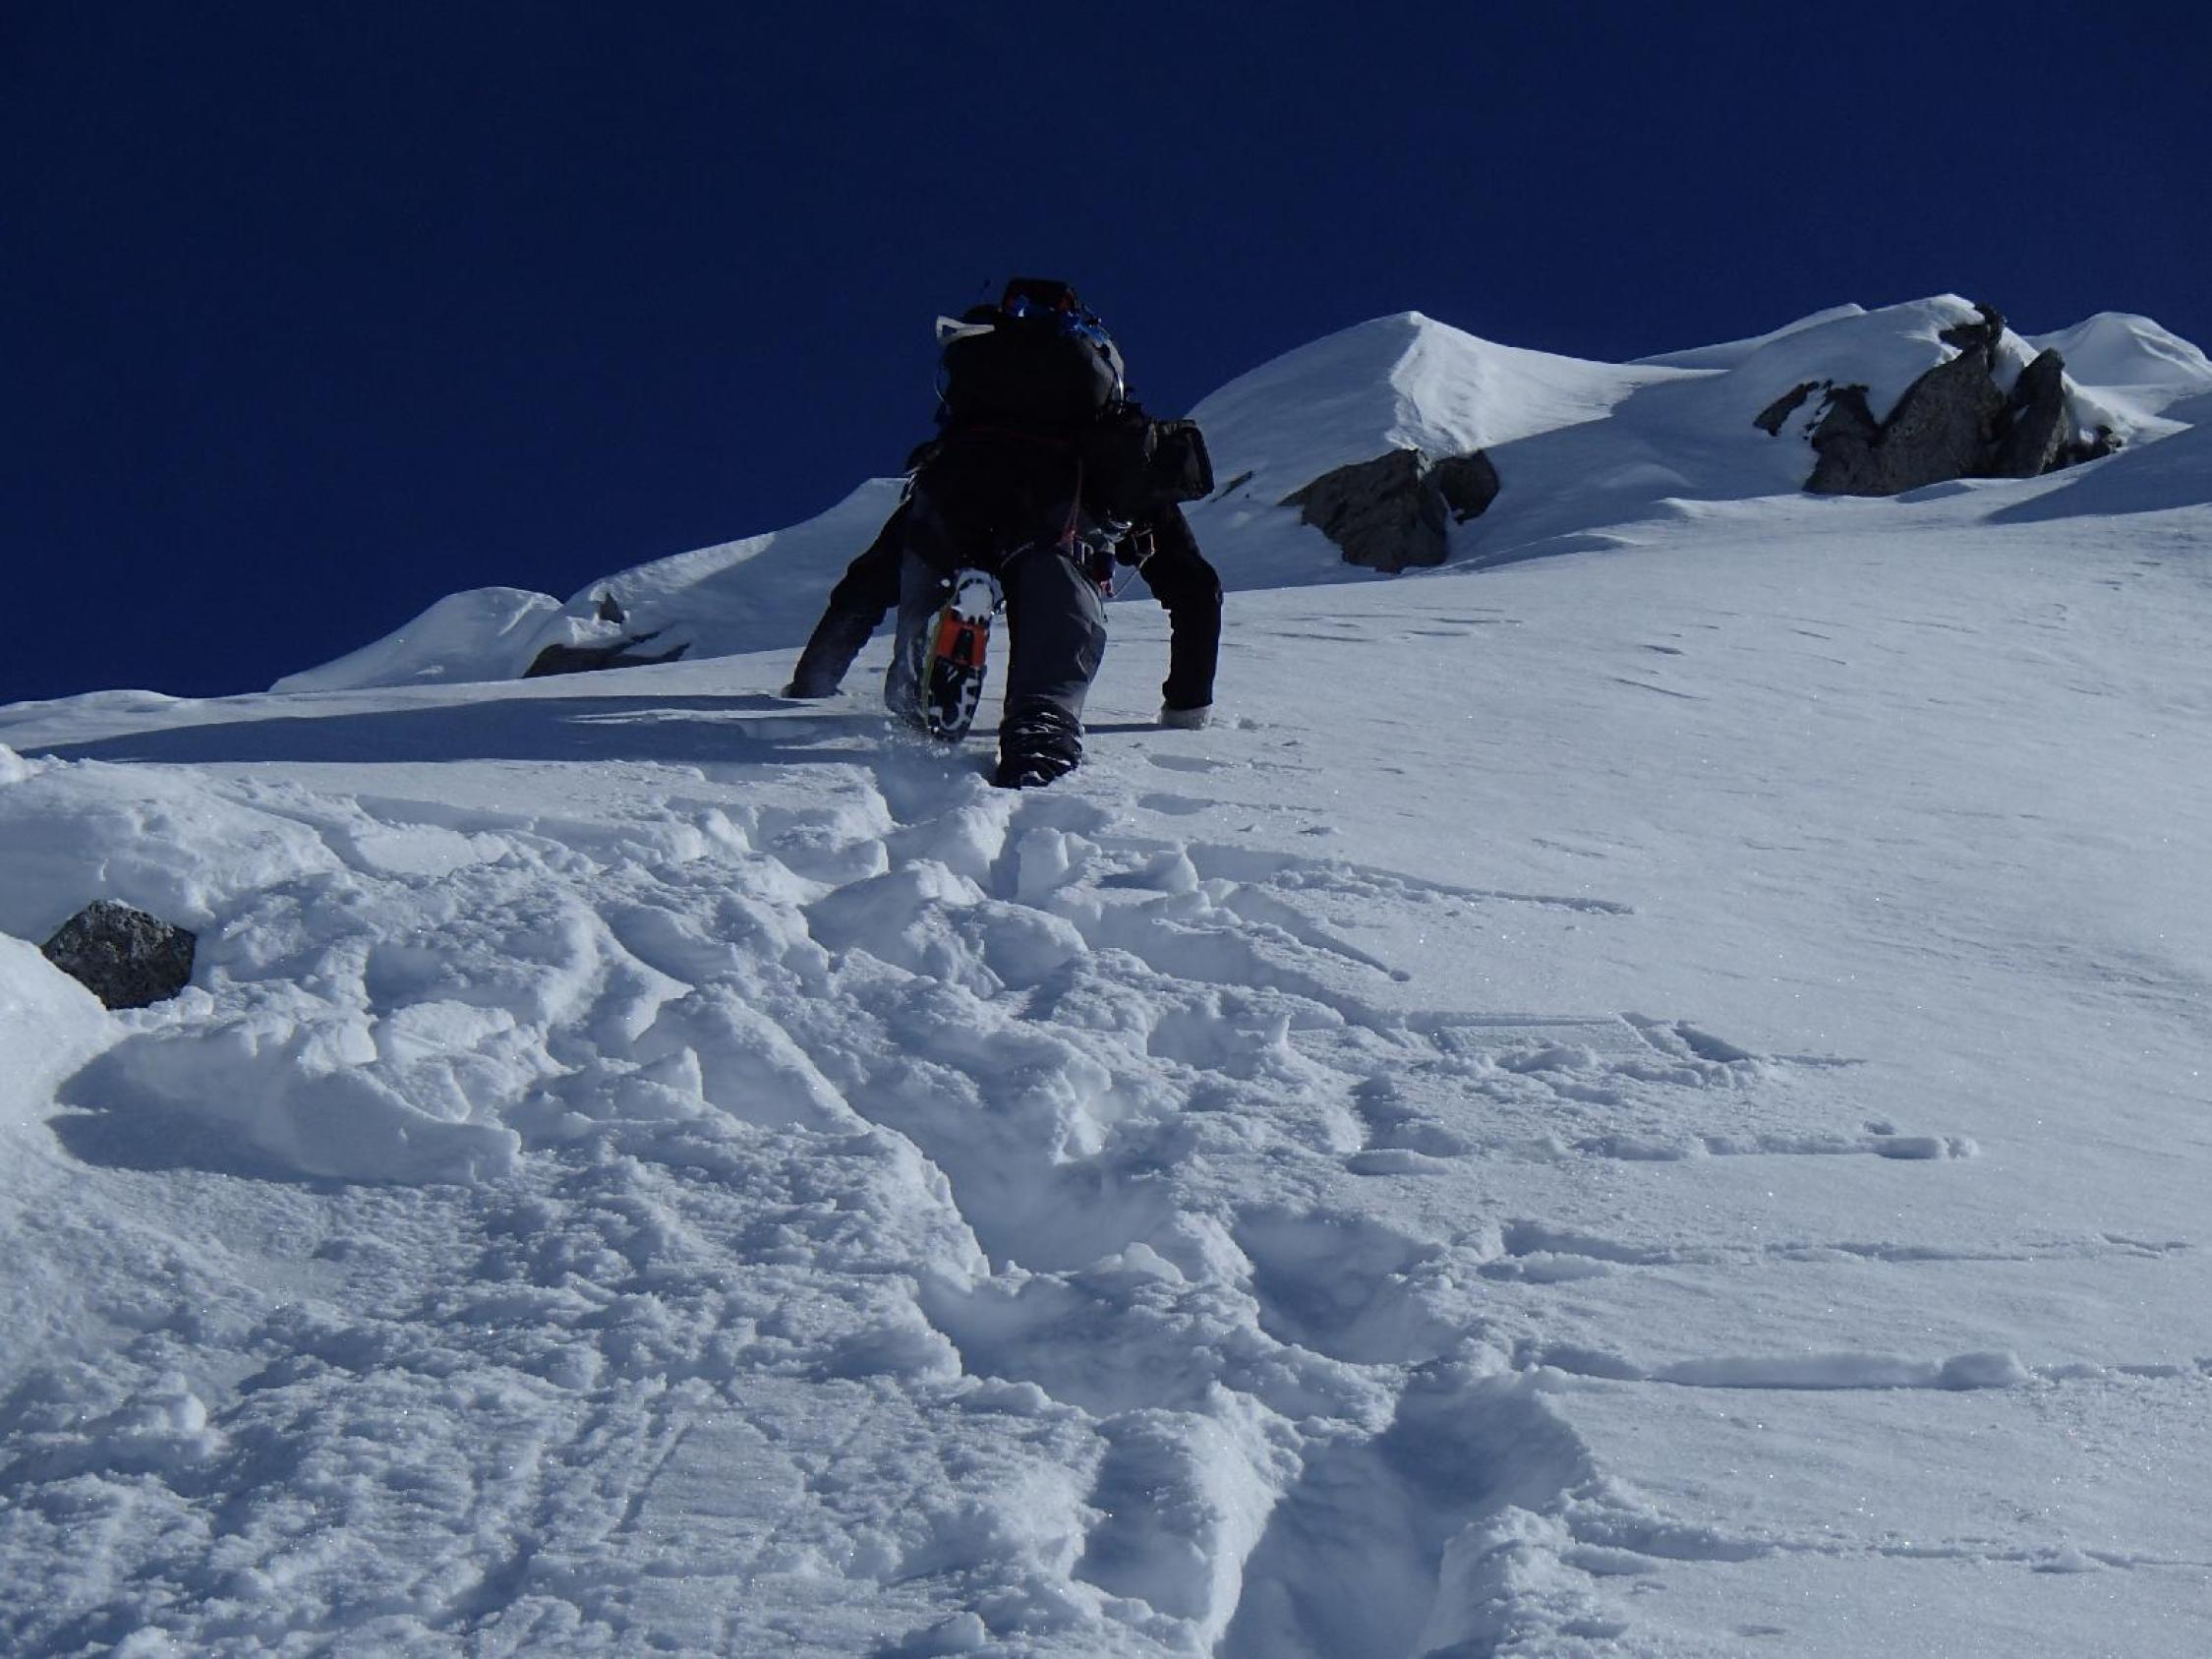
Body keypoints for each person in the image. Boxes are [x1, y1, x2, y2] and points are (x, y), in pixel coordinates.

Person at [784, 280, 1221, 785]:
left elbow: (865, 584)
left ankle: (928, 663)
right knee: (1059, 598)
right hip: (1059, 521)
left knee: (924, 570)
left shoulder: (966, 437)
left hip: (953, 500)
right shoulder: (1112, 450)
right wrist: (1188, 705)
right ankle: (1041, 725)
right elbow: (1196, 590)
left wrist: (813, 681)